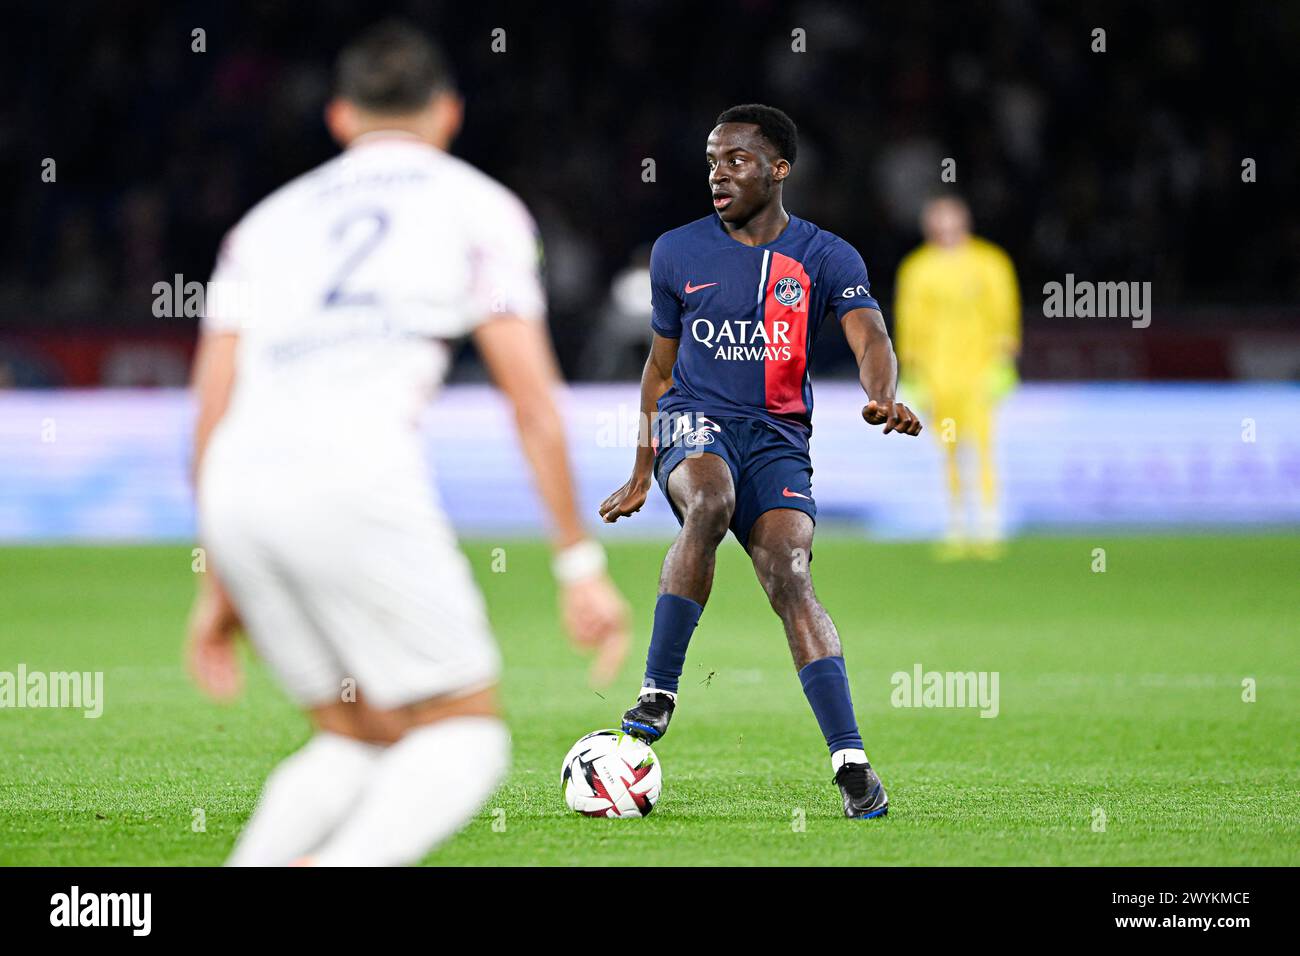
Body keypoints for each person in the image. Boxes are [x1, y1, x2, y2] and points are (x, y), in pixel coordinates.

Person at [187, 20, 628, 866]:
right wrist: (579, 563)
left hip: (238, 485)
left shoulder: (264, 224)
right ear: (449, 113)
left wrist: (218, 572)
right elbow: (531, 400)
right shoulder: (478, 207)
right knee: (466, 739)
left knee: (359, 741)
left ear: (341, 117)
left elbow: (209, 410)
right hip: (357, 476)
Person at [598, 104, 921, 819]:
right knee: (708, 503)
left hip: (778, 437)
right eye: (713, 159)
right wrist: (639, 464)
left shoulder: (826, 256)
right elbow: (658, 369)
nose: (718, 173)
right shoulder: (676, 252)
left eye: (737, 160)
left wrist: (882, 396)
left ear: (779, 170)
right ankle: (660, 688)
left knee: (791, 573)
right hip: (695, 420)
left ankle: (852, 763)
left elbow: (870, 336)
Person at [894, 195, 1021, 558]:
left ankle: (988, 523)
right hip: (938, 374)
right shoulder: (918, 268)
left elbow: (1004, 313)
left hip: (978, 371)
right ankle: (956, 523)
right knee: (948, 449)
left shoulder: (989, 263)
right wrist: (914, 371)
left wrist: (1003, 361)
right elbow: (910, 322)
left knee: (981, 445)